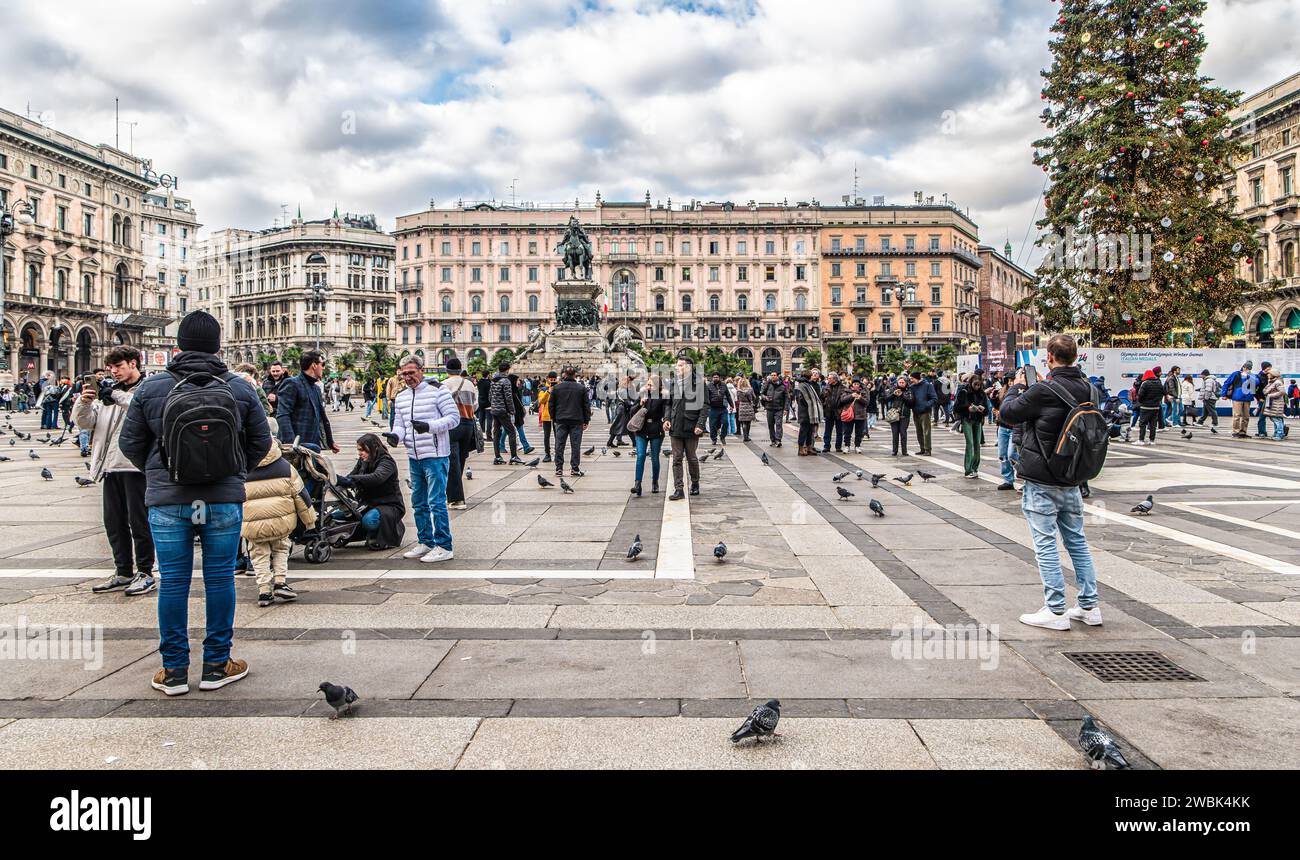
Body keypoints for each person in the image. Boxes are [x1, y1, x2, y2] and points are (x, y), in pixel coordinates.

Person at [118, 310, 272, 695]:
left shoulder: (152, 389)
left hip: (169, 502)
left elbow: (130, 444)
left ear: (179, 345)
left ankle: (173, 671)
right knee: (220, 578)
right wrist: (233, 471)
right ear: (218, 345)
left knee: (172, 582)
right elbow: (261, 443)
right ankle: (217, 665)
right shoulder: (239, 387)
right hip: (221, 500)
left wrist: (160, 472)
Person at [998, 334, 1100, 631]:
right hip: (1072, 477)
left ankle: (1055, 610)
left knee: (1045, 543)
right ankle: (1089, 606)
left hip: (1042, 478)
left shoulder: (1043, 389)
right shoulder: (1090, 389)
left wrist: (1019, 385)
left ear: (1050, 358)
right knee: (1077, 542)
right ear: (1075, 357)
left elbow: (1008, 414)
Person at [78, 345, 156, 597]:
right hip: (109, 466)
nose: (114, 372)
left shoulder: (147, 389)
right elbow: (84, 422)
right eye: (111, 368)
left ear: (134, 363)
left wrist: (114, 395)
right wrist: (85, 401)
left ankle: (145, 572)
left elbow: (141, 408)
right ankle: (122, 570)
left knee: (139, 522)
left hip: (135, 467)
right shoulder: (108, 395)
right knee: (114, 522)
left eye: (119, 366)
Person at [391, 355, 460, 563]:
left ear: (421, 370)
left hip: (436, 455)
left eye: (412, 373)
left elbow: (454, 418)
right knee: (418, 502)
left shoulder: (438, 391)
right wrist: (396, 436)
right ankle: (425, 541)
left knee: (437, 502)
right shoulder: (402, 396)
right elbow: (400, 424)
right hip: (414, 455)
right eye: (404, 374)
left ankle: (444, 545)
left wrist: (429, 427)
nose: (408, 377)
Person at [241, 421, 317, 607]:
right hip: (281, 522)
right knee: (281, 548)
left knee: (258, 555)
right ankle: (281, 581)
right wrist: (310, 521)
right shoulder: (284, 467)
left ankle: (264, 591)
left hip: (253, 524)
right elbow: (301, 495)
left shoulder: (242, 466)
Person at [337, 433, 406, 549]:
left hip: (388, 504)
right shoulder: (363, 460)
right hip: (368, 504)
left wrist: (352, 479)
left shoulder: (386, 461)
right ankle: (354, 534)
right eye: (359, 450)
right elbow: (352, 475)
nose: (360, 453)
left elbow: (377, 477)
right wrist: (340, 480)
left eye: (363, 450)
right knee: (336, 517)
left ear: (374, 448)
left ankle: (391, 529)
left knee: (369, 520)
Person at [275, 351, 338, 454]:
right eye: (322, 364)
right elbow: (283, 415)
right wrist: (292, 444)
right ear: (314, 365)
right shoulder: (292, 383)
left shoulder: (316, 388)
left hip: (312, 445)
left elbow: (322, 417)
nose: (323, 368)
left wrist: (330, 442)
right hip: (296, 446)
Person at [665, 358, 707, 498]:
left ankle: (695, 483)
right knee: (676, 458)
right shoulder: (673, 382)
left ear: (688, 367)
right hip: (675, 425)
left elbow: (705, 405)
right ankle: (679, 489)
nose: (677, 368)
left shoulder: (699, 383)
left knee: (692, 458)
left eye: (680, 365)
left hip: (691, 426)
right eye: (677, 365)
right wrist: (666, 419)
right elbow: (669, 404)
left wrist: (700, 424)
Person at [442, 357, 479, 511]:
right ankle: (453, 493)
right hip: (468, 424)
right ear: (460, 369)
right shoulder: (470, 384)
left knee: (452, 462)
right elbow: (476, 405)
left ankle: (456, 499)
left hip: (453, 424)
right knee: (461, 459)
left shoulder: (444, 385)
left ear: (447, 370)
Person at [549, 364, 591, 477]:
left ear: (565, 375)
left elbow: (551, 405)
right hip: (576, 420)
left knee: (559, 444)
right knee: (575, 445)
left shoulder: (557, 388)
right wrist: (586, 420)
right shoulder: (581, 388)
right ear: (575, 375)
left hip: (561, 420)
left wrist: (554, 418)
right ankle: (575, 468)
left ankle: (559, 468)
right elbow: (586, 406)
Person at [630, 376, 668, 496]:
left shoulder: (663, 398)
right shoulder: (643, 396)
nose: (648, 387)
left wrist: (666, 421)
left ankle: (655, 481)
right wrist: (640, 404)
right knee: (640, 455)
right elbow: (632, 411)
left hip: (656, 430)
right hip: (641, 430)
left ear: (658, 386)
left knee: (655, 457)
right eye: (648, 385)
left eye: (651, 385)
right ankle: (637, 483)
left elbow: (666, 411)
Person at [995, 368, 1026, 490]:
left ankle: (1026, 477)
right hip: (1003, 426)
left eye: (1014, 379)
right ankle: (1008, 479)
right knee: (1002, 455)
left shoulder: (1022, 391)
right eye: (1009, 380)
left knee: (1012, 454)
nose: (1011, 382)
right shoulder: (1004, 392)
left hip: (1015, 427)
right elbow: (1000, 408)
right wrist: (993, 399)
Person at [955, 373, 989, 476]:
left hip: (978, 420)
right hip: (967, 419)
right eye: (975, 384)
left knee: (977, 444)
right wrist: (967, 408)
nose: (977, 387)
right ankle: (968, 469)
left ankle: (975, 468)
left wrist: (983, 409)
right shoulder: (964, 392)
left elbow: (987, 410)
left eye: (979, 385)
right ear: (971, 383)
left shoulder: (982, 393)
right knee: (970, 443)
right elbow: (956, 408)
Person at [488, 363, 522, 465]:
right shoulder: (506, 381)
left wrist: (494, 405)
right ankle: (514, 456)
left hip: (494, 410)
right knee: (511, 431)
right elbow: (508, 398)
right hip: (503, 411)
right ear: (507, 370)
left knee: (496, 433)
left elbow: (490, 396)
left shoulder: (493, 380)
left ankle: (497, 457)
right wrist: (512, 410)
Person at [1221, 360, 1256, 438]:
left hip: (1247, 397)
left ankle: (1243, 431)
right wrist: (1224, 394)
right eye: (1246, 368)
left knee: (1246, 416)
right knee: (1237, 415)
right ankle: (1236, 431)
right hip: (1237, 397)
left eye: (1249, 368)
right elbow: (1227, 383)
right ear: (1243, 367)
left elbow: (1255, 385)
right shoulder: (1236, 374)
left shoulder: (1251, 375)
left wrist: (1249, 376)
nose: (1248, 369)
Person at [883, 374, 914, 457]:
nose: (901, 384)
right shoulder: (893, 389)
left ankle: (904, 451)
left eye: (903, 382)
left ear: (906, 383)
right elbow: (885, 399)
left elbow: (911, 402)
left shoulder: (909, 390)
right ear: (897, 382)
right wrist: (893, 394)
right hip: (893, 415)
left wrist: (902, 395)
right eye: (900, 382)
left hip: (904, 415)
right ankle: (894, 450)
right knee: (895, 433)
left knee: (903, 433)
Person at [794, 369, 823, 456]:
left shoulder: (808, 385)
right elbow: (800, 399)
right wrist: (809, 406)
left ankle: (809, 447)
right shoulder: (802, 386)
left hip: (811, 412)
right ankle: (801, 449)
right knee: (803, 431)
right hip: (805, 412)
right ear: (808, 376)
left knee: (810, 431)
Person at [1135, 369, 1165, 445]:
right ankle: (1152, 440)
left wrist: (1141, 402)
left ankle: (1141, 440)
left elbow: (1140, 395)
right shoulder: (1159, 383)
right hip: (1156, 407)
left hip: (1146, 407)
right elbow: (1163, 392)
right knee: (1153, 425)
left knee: (1143, 424)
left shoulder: (1145, 383)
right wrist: (1157, 402)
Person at [839, 379, 870, 453]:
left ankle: (857, 446)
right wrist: (851, 396)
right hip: (849, 415)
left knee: (859, 432)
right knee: (847, 432)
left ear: (859, 385)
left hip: (860, 415)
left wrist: (860, 398)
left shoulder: (863, 392)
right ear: (852, 384)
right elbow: (842, 400)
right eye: (854, 384)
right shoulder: (846, 391)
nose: (856, 385)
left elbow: (867, 402)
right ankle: (847, 446)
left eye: (857, 384)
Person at [910, 370, 936, 456]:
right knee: (919, 432)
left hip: (925, 412)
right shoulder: (912, 387)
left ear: (917, 378)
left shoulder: (928, 385)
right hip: (916, 411)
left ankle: (927, 449)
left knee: (926, 431)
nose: (911, 380)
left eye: (912, 378)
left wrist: (926, 405)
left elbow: (934, 398)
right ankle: (922, 448)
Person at [820, 371, 846, 452]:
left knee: (839, 431)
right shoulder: (826, 387)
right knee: (827, 430)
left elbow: (845, 399)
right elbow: (821, 397)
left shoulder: (842, 387)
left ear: (835, 379)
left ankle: (838, 447)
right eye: (828, 378)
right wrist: (824, 405)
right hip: (829, 411)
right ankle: (826, 446)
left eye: (830, 378)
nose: (828, 379)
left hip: (839, 411)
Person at [705, 372, 732, 446]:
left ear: (719, 378)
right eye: (714, 377)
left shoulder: (724, 385)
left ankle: (722, 437)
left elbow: (728, 396)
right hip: (713, 408)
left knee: (726, 422)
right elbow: (706, 397)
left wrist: (732, 405)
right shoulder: (709, 386)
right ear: (712, 378)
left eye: (717, 377)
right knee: (712, 425)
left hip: (723, 408)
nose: (715, 378)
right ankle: (714, 439)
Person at [760, 371, 786, 447]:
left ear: (778, 376)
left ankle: (778, 440)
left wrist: (786, 409)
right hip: (769, 408)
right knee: (770, 425)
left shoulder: (782, 385)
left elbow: (787, 397)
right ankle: (773, 440)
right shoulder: (767, 384)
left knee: (778, 424)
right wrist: (766, 398)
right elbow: (762, 394)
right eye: (772, 375)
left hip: (779, 408)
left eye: (774, 375)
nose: (773, 376)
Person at [1262, 368, 1287, 440]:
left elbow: (1282, 392)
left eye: (1269, 374)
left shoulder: (1277, 382)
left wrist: (1271, 395)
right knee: (1275, 418)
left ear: (1273, 374)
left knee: (1277, 419)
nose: (1267, 375)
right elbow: (1265, 391)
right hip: (1273, 403)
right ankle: (1277, 433)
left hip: (1276, 403)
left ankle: (1279, 434)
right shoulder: (1272, 382)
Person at [538, 371, 557, 462]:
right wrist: (548, 392)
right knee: (546, 436)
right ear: (548, 379)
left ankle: (558, 453)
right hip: (546, 415)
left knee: (558, 436)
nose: (552, 381)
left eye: (554, 379)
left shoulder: (559, 387)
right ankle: (547, 454)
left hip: (557, 415)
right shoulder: (544, 388)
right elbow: (541, 401)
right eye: (551, 379)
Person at [734, 374, 756, 442]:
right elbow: (754, 397)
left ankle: (745, 436)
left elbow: (737, 398)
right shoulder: (750, 390)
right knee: (748, 422)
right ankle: (747, 436)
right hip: (749, 406)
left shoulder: (738, 391)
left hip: (742, 406)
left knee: (743, 422)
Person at [1254, 361, 1273, 438]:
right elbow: (1254, 389)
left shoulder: (1272, 375)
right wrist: (1259, 398)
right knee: (1262, 417)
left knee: (1275, 416)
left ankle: (1280, 431)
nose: (1270, 369)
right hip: (1263, 399)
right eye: (1269, 368)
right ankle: (1262, 432)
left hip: (1271, 399)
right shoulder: (1258, 377)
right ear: (1264, 368)